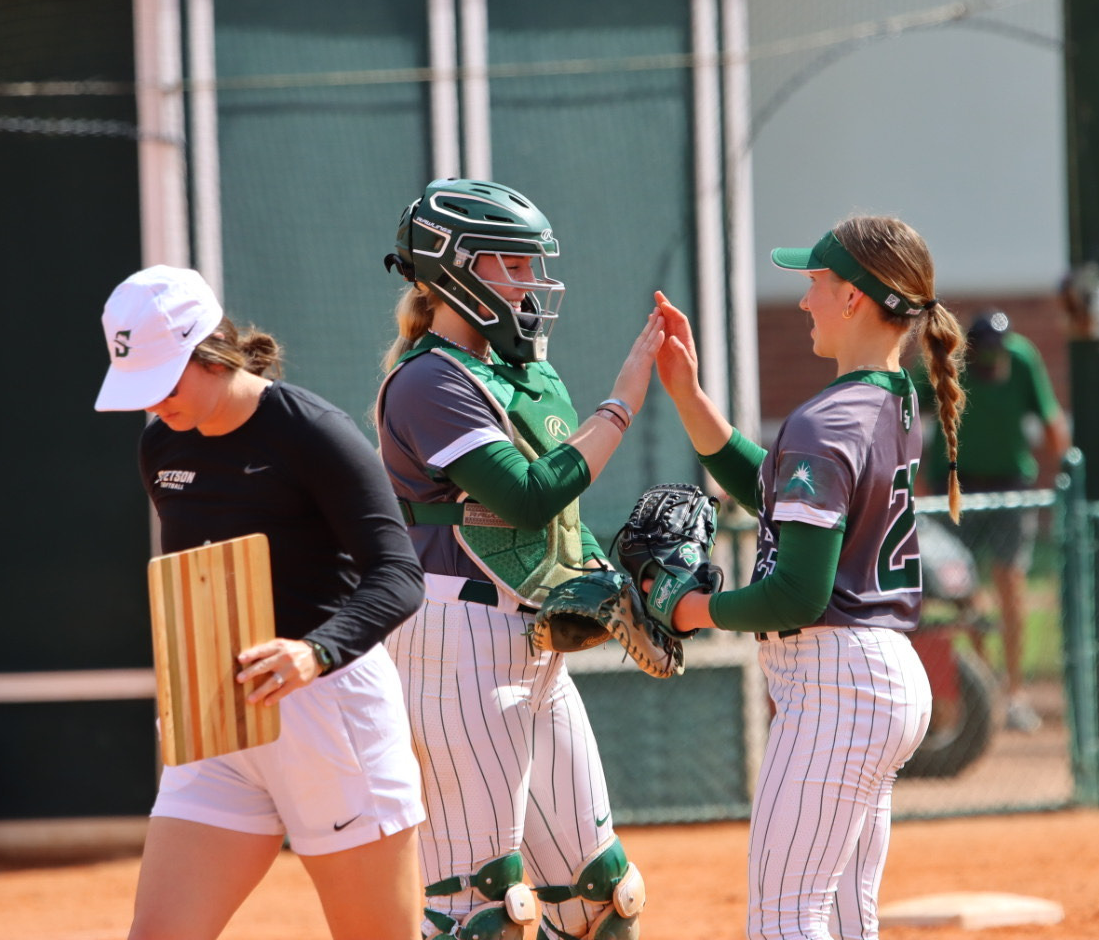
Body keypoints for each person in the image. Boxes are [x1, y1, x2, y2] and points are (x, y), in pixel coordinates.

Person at [648, 215, 965, 940]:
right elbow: (774, 481)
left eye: (815, 282)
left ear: (854, 297)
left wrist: (689, 609)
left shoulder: (828, 419)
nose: (803, 299)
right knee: (847, 915)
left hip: (839, 685)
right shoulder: (889, 397)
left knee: (785, 916)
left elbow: (796, 593)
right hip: (877, 675)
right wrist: (690, 399)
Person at [94, 264, 426, 940]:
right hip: (218, 721)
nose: (154, 404)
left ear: (211, 352)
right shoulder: (160, 445)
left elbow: (398, 574)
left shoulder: (311, 433)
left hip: (331, 711)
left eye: (163, 381)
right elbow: (197, 579)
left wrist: (314, 652)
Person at [375, 178, 664, 940]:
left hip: (529, 641)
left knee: (603, 898)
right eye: (511, 264)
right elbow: (529, 496)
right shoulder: (429, 380)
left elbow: (557, 521)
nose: (531, 282)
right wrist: (622, 403)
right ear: (454, 271)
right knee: (487, 913)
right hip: (453, 642)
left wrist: (612, 579)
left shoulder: (523, 373)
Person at [915, 308, 1069, 733]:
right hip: (956, 484)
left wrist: (1069, 474)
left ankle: (1015, 691)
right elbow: (906, 405)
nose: (994, 362)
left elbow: (1051, 420)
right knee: (959, 585)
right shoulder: (949, 360)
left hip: (1009, 483)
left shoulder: (1022, 359)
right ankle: (983, 681)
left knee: (1010, 579)